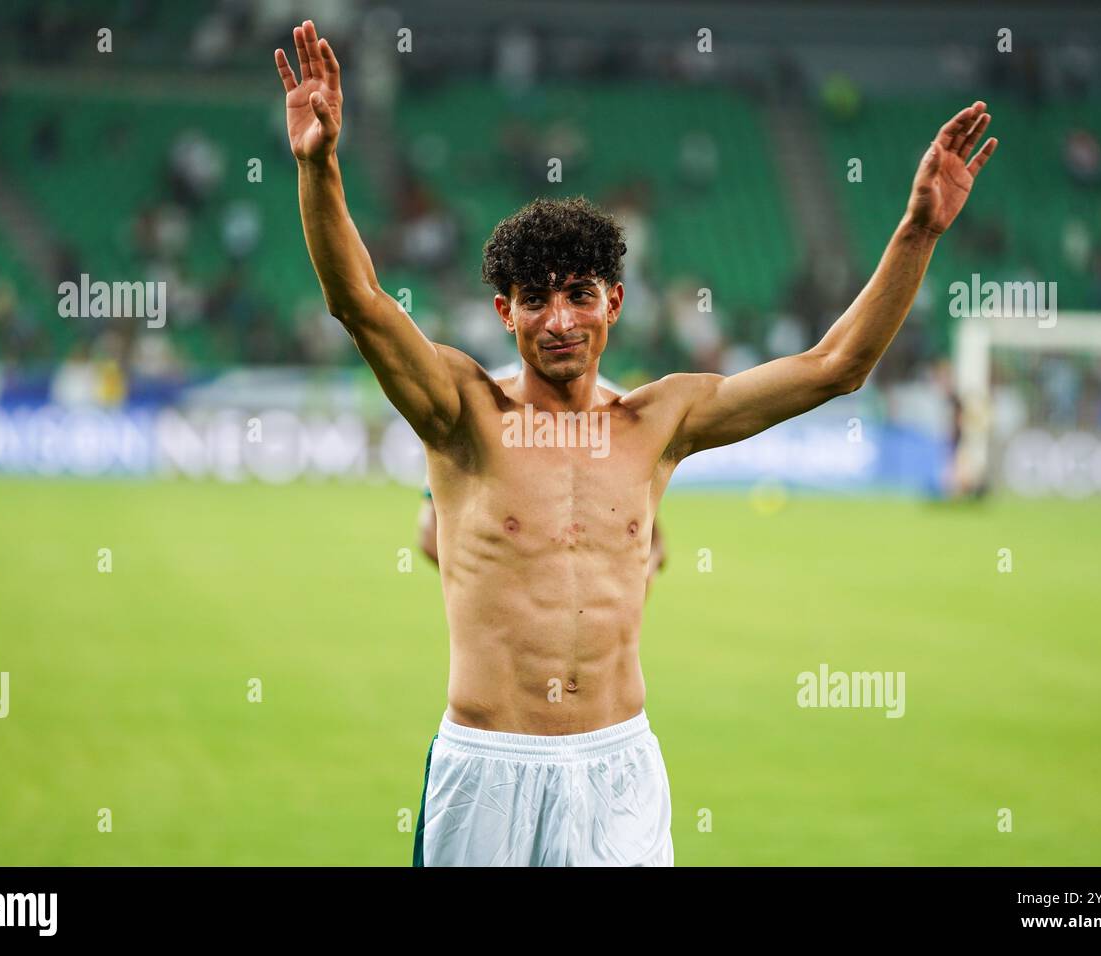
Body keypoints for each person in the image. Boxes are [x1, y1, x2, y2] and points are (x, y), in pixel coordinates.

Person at [276, 20, 998, 866]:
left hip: (619, 765)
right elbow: (358, 301)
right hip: (491, 765)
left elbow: (836, 365)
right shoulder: (462, 417)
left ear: (614, 302)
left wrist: (918, 230)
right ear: (503, 311)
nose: (559, 320)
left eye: (580, 294)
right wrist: (319, 165)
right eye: (534, 298)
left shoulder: (660, 423)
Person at [417, 360, 668, 590]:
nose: (559, 323)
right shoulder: (478, 403)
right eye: (536, 306)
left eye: (577, 306)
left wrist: (635, 578)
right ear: (508, 314)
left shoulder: (622, 408)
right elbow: (431, 534)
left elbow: (650, 537)